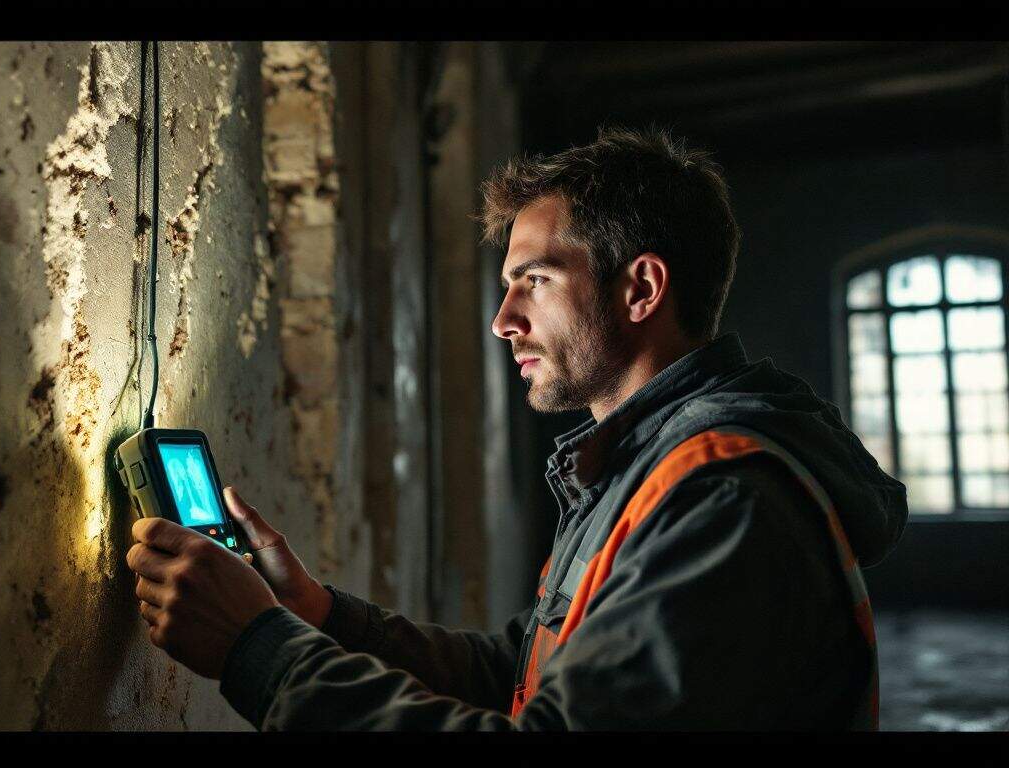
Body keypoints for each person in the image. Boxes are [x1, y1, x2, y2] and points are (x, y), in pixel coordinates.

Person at [124, 126, 907, 730]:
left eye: (534, 281)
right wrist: (320, 616)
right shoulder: (645, 468)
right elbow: (520, 674)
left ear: (641, 289)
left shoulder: (724, 499)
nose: (504, 320)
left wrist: (257, 647)